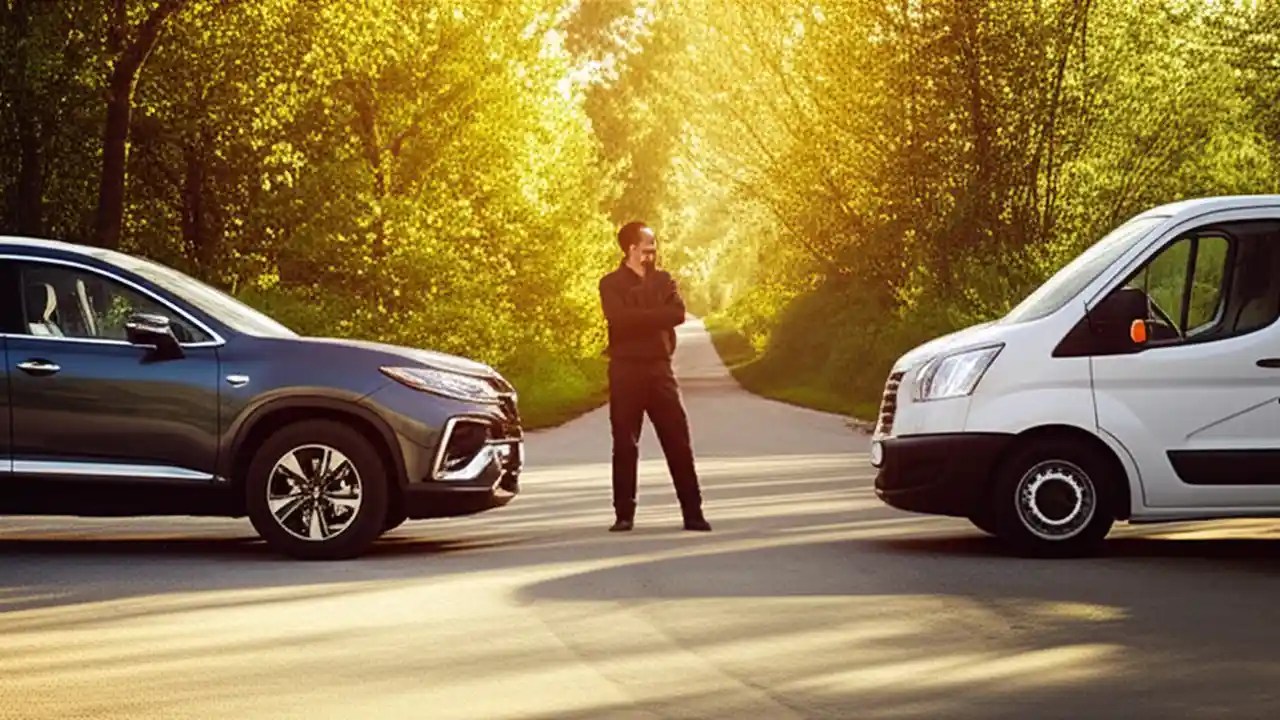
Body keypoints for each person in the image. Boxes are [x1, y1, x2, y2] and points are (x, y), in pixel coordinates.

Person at [597, 221, 710, 533]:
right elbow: (616, 318)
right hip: (624, 369)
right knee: (624, 443)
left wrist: (639, 318)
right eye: (648, 243)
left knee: (678, 440)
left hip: (660, 369)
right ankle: (624, 515)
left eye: (654, 244)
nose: (653, 249)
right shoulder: (610, 283)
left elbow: (677, 314)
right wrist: (653, 316)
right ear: (632, 248)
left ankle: (693, 513)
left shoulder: (664, 280)